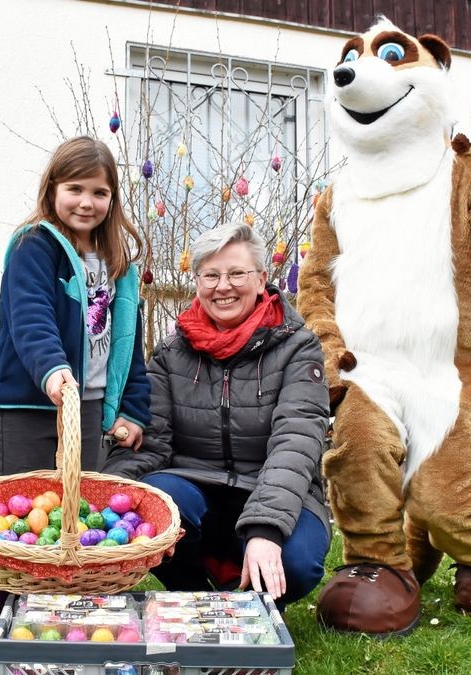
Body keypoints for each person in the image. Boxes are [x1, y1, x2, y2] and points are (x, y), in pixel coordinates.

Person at [0, 136, 151, 673]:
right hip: (32, 405)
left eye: (99, 192)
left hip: (91, 409)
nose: (86, 202)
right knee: (21, 523)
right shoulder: (36, 246)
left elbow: (128, 345)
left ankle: (64, 634)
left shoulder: (118, 262)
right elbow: (30, 319)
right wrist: (55, 375)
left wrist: (132, 409)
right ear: (52, 189)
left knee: (76, 520)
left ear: (112, 198)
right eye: (74, 188)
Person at [102, 222, 331, 611]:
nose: (223, 286)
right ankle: (196, 592)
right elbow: (151, 440)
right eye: (211, 275)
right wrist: (109, 498)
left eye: (237, 273)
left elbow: (295, 442)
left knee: (295, 564)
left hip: (269, 486)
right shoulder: (172, 351)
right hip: (195, 486)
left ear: (261, 279)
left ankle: (253, 594)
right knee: (153, 505)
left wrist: (266, 529)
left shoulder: (299, 348)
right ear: (197, 283)